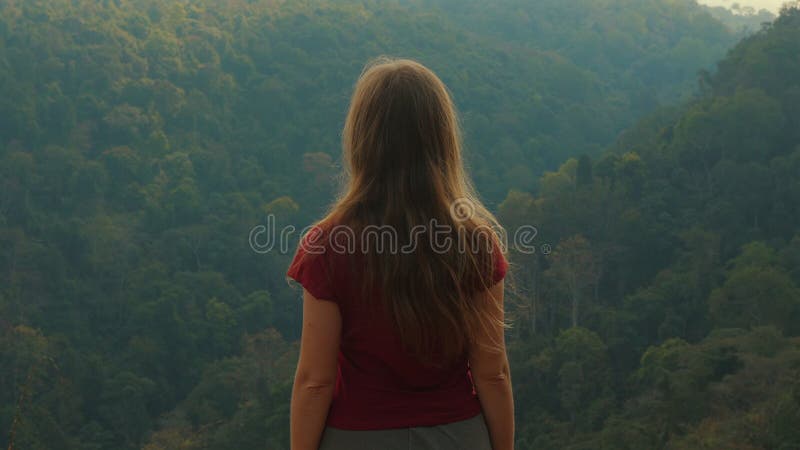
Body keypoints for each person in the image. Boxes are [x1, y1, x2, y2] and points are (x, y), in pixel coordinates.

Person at [286, 57, 514, 450]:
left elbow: (315, 381)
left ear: (362, 140)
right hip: (458, 436)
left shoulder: (327, 246)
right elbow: (492, 375)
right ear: (443, 140)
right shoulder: (476, 243)